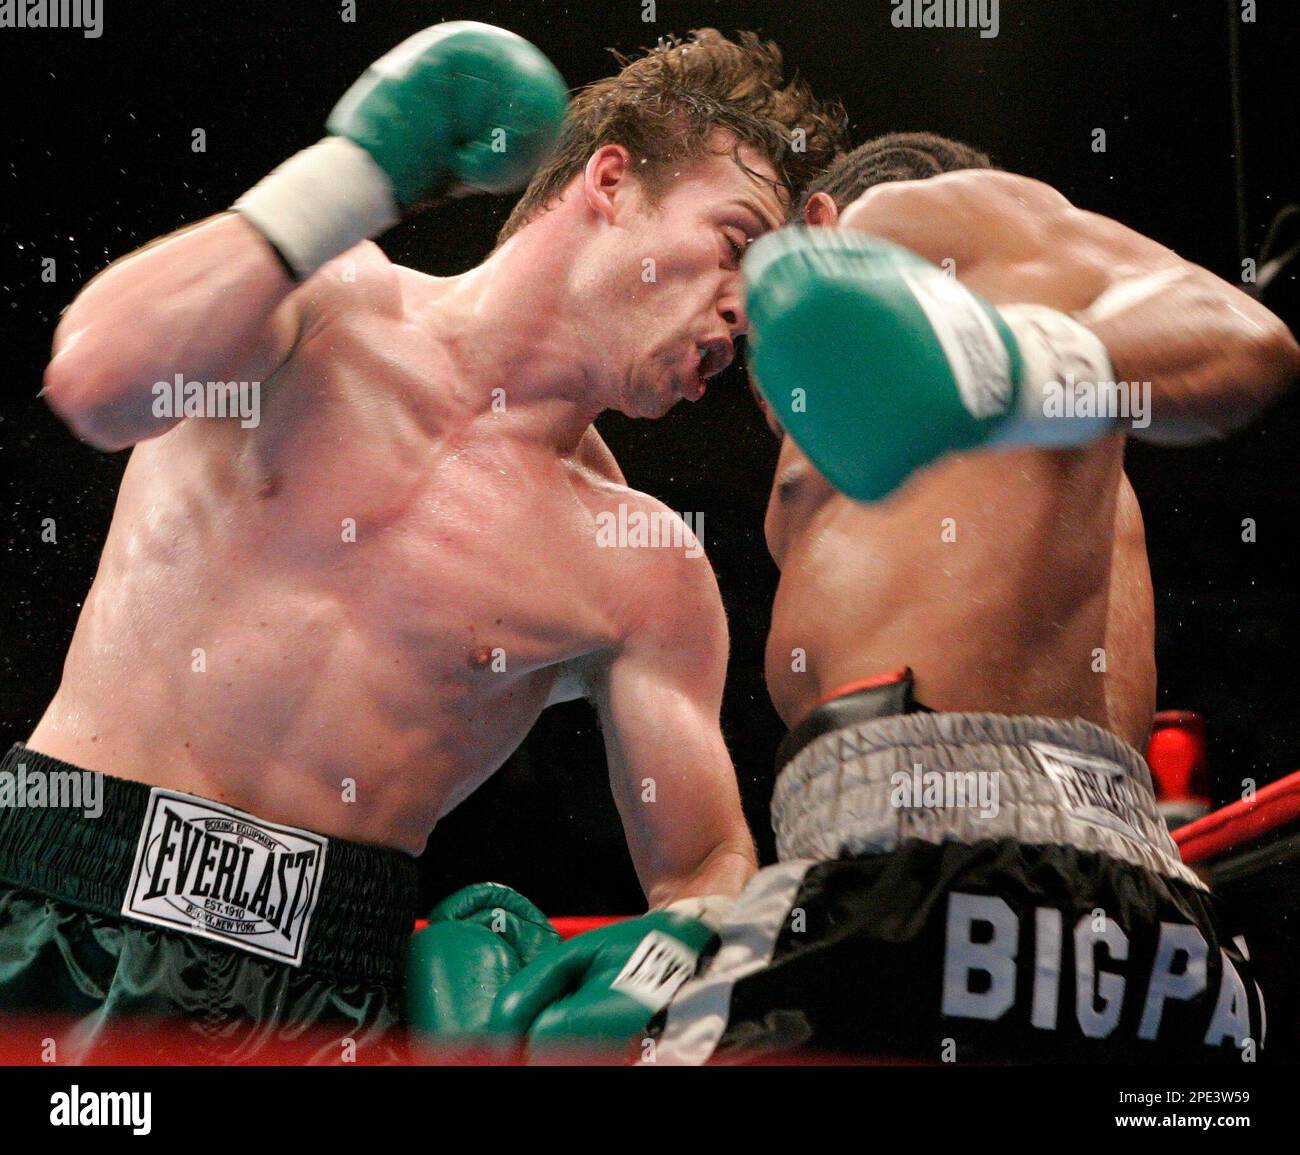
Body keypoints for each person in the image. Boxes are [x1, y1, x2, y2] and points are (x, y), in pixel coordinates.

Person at [0, 23, 845, 1062]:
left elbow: (705, 861)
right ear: (610, 182)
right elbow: (97, 382)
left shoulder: (642, 563)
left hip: (327, 989)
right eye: (733, 242)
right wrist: (356, 173)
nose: (744, 309)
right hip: (56, 894)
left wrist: (673, 954)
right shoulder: (327, 308)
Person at [490, 133, 1300, 1064]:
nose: (742, 334)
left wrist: (982, 354)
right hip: (1142, 928)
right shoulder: (1050, 439)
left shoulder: (905, 227)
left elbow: (1248, 332)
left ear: (823, 230)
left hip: (930, 880)